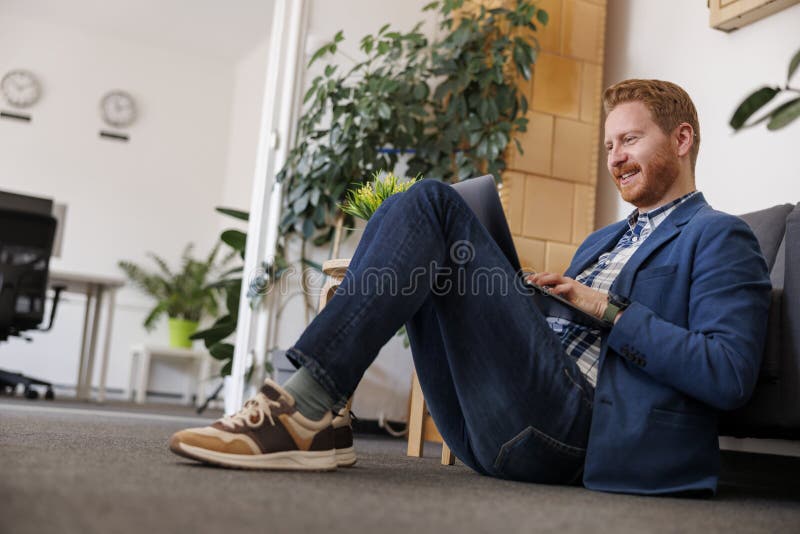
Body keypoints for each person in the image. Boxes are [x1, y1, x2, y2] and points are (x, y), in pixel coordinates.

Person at [168, 79, 770, 496]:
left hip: (586, 432)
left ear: (683, 139)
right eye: (609, 145)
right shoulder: (602, 241)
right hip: (496, 419)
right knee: (417, 213)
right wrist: (530, 298)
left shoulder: (719, 236)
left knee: (433, 203)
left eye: (630, 140)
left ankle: (302, 407)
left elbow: (728, 373)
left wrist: (601, 306)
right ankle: (321, 414)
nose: (615, 157)